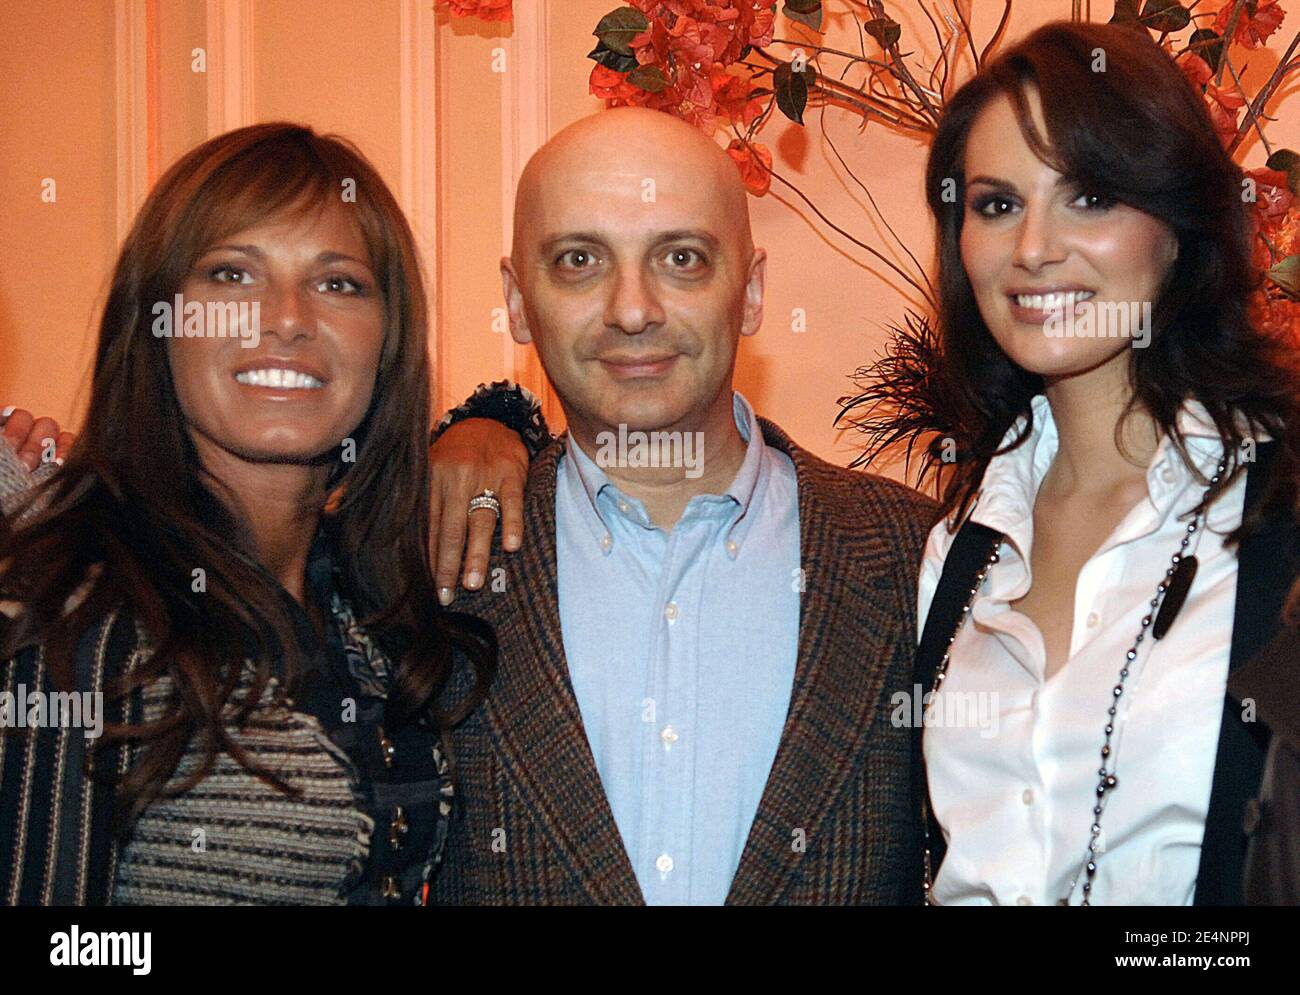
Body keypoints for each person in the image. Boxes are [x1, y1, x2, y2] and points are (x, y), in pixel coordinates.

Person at [425, 106, 934, 905]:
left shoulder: (917, 557)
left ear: (753, 289)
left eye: (683, 258)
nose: (633, 309)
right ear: (518, 301)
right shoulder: (439, 555)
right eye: (580, 259)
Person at [0, 122, 495, 905]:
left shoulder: (375, 603)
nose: (288, 318)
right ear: (156, 323)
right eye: (232, 276)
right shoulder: (75, 597)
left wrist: (499, 421)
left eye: (339, 283)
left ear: (389, 339)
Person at [863, 21, 1300, 905]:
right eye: (996, 204)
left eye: (1090, 197)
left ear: (1177, 228)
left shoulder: (1281, 507)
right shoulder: (957, 547)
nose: (1032, 248)